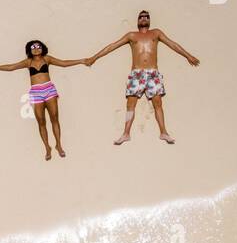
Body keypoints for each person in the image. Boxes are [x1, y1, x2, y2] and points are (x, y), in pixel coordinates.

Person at [85, 10, 199, 145]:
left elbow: (172, 44)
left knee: (158, 104)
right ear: (138, 20)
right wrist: (94, 57)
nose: (144, 18)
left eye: (146, 17)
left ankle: (164, 132)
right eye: (141, 17)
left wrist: (188, 56)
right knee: (130, 105)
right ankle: (126, 133)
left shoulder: (156, 33)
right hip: (136, 74)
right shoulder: (132, 36)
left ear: (149, 20)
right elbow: (112, 46)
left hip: (153, 74)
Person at [0, 40, 88, 160]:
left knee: (54, 118)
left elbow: (63, 63)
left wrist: (81, 61)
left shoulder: (47, 59)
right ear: (29, 50)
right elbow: (11, 67)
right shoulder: (28, 62)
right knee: (41, 121)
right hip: (36, 93)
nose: (36, 49)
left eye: (38, 47)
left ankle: (58, 145)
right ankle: (47, 148)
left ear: (42, 48)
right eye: (33, 47)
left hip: (49, 90)